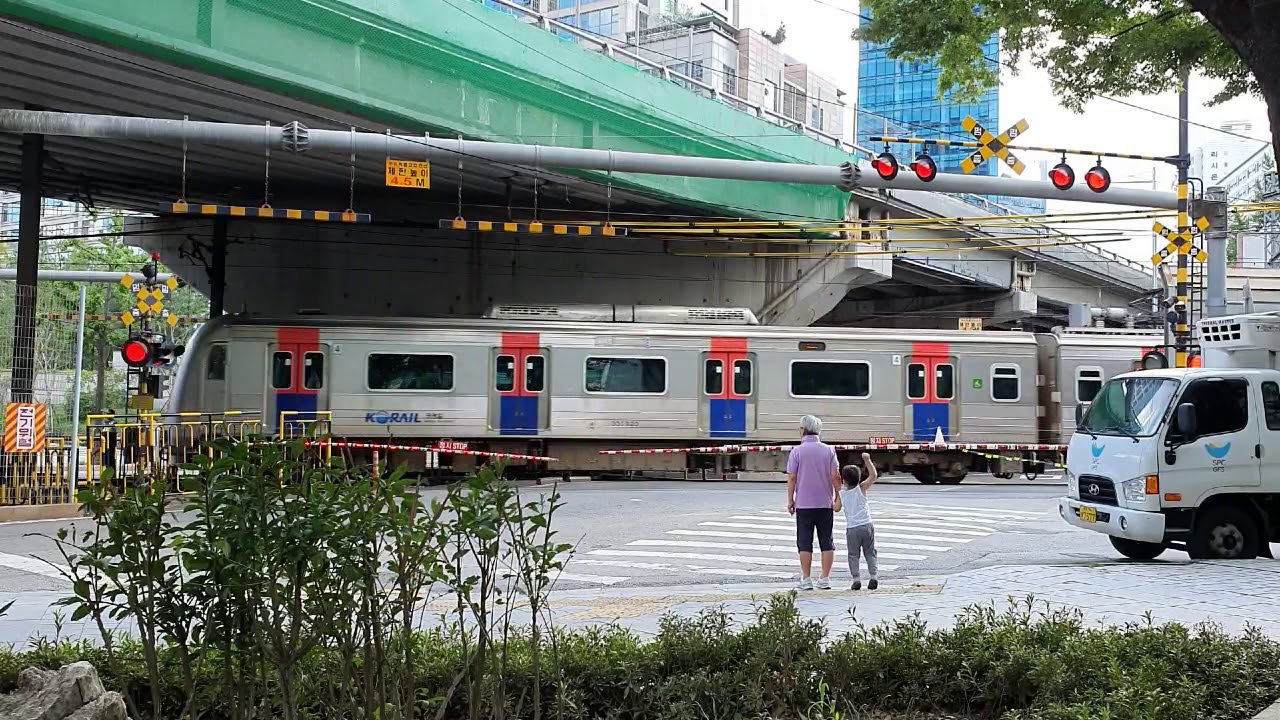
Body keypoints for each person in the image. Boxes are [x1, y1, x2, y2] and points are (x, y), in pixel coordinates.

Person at [786, 415, 841, 590]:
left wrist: (790, 500)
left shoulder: (797, 451)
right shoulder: (829, 450)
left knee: (804, 542)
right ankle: (824, 579)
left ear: (803, 430)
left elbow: (792, 477)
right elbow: (835, 476)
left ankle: (806, 579)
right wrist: (838, 497)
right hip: (825, 504)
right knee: (826, 541)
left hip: (804, 504)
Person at [840, 452, 880, 590]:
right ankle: (873, 576)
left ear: (844, 480)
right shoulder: (861, 488)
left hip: (852, 528)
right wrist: (867, 460)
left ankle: (856, 579)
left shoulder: (842, 494)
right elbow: (873, 476)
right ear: (858, 478)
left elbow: (836, 508)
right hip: (867, 525)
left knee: (853, 554)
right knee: (870, 552)